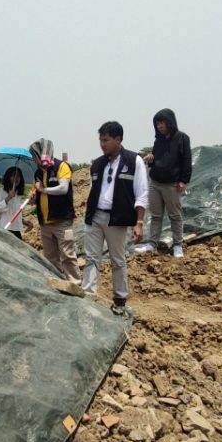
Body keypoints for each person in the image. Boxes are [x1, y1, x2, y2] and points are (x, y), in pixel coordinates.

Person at [83, 121, 149, 317]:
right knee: (92, 258)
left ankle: (120, 300)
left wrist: (139, 222)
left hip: (116, 218)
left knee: (118, 260)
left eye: (106, 140)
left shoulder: (133, 161)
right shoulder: (97, 164)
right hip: (95, 217)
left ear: (118, 139)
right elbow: (93, 191)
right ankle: (88, 296)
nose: (102, 144)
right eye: (100, 140)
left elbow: (142, 193)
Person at [134, 108, 192, 257]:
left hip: (172, 184)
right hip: (155, 182)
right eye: (157, 123)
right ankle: (152, 243)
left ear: (170, 122)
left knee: (174, 215)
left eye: (162, 123)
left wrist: (184, 180)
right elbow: (156, 158)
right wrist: (150, 159)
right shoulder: (158, 141)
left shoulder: (182, 138)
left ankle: (178, 245)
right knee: (156, 215)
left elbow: (187, 160)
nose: (159, 126)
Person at [29, 138, 81, 284]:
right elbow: (38, 193)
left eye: (35, 156)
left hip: (61, 220)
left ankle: (74, 284)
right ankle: (58, 284)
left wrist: (43, 190)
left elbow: (63, 189)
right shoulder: (38, 173)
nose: (34, 160)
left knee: (67, 254)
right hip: (45, 222)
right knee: (50, 257)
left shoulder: (61, 166)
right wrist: (34, 197)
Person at [0, 166, 26, 239]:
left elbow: (14, 213)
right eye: (13, 176)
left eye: (18, 176)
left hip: (15, 229)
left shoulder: (17, 195)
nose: (16, 178)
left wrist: (24, 221)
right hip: (4, 228)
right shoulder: (1, 192)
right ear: (8, 177)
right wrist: (8, 198)